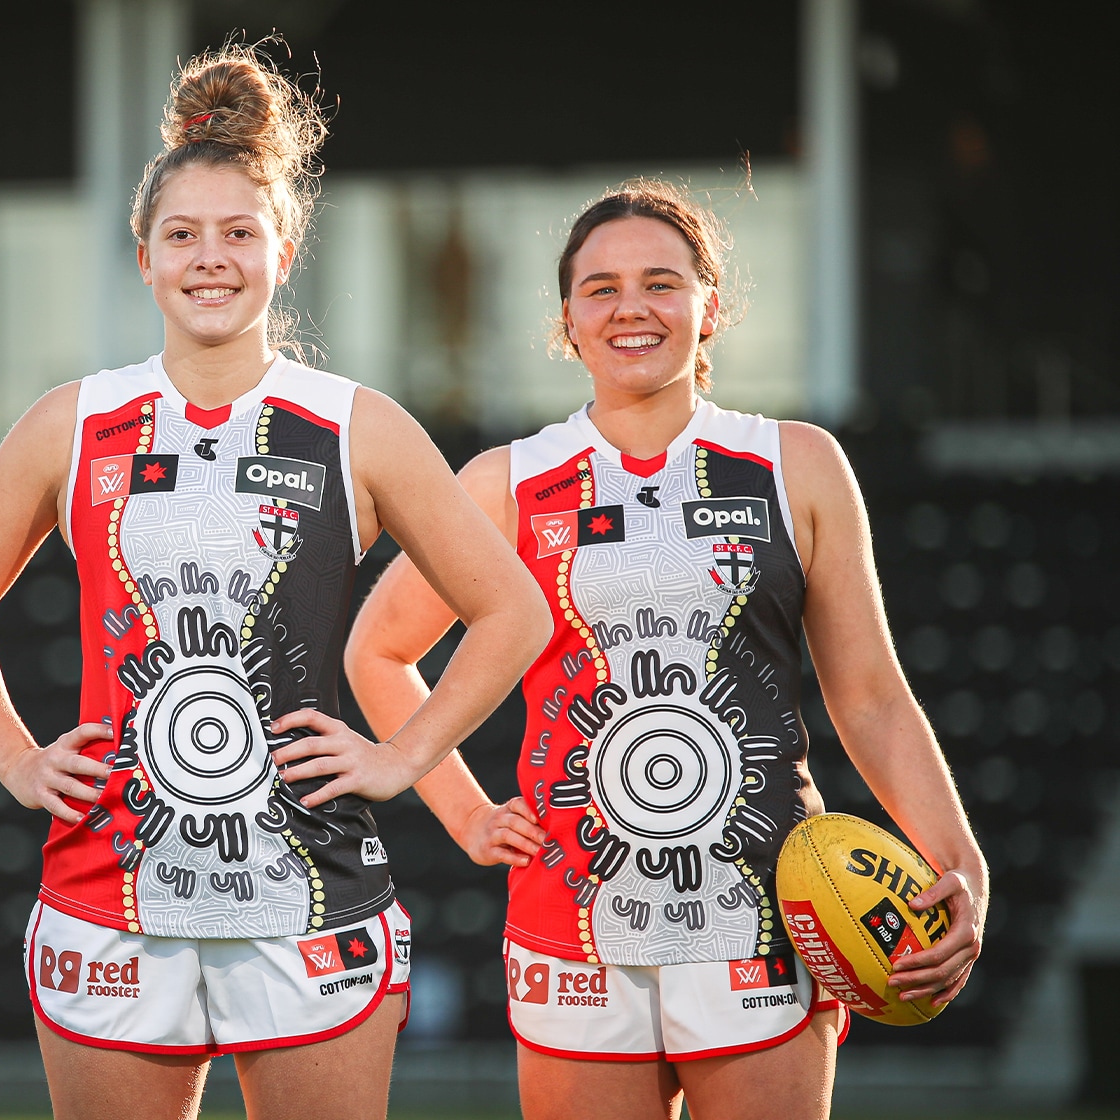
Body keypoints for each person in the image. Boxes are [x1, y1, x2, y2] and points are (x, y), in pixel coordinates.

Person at [0, 45, 548, 1120]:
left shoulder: (358, 425)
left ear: (284, 250)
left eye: (240, 232)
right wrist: (17, 757)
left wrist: (404, 756)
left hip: (315, 898)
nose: (213, 258)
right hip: (106, 893)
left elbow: (513, 609)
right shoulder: (73, 422)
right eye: (183, 235)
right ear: (145, 256)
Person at [345, 179, 988, 1120]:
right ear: (567, 320)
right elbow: (379, 651)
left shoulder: (797, 464)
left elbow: (871, 699)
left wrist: (960, 864)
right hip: (571, 920)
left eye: (661, 281)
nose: (630, 307)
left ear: (710, 303)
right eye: (600, 289)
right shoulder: (505, 483)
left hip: (765, 910)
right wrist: (465, 813)